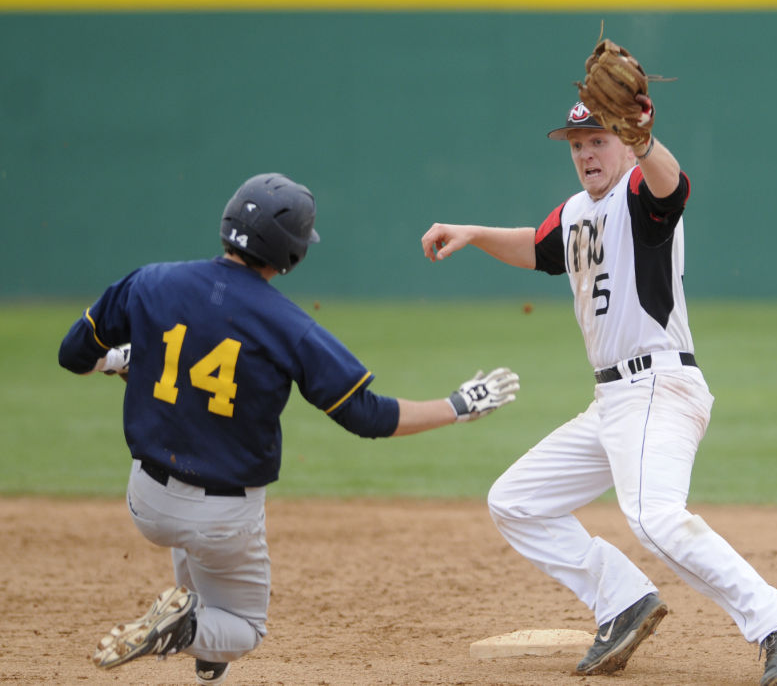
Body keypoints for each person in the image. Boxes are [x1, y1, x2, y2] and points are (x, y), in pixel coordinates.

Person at [58, 172, 519, 685]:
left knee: (187, 532)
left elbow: (73, 354)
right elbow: (366, 415)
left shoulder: (150, 282)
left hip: (145, 503)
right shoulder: (288, 325)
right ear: (293, 252)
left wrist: (122, 359)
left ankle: (204, 651)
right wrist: (458, 404)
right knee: (245, 627)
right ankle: (187, 631)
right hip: (223, 517)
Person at [420, 101, 777, 686]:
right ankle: (623, 602)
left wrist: (643, 139)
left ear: (626, 144)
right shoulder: (579, 211)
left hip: (659, 384)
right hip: (612, 402)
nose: (585, 153)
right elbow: (538, 248)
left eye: (597, 140)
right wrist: (474, 233)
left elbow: (674, 185)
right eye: (576, 144)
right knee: (516, 501)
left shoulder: (641, 192)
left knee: (653, 516)